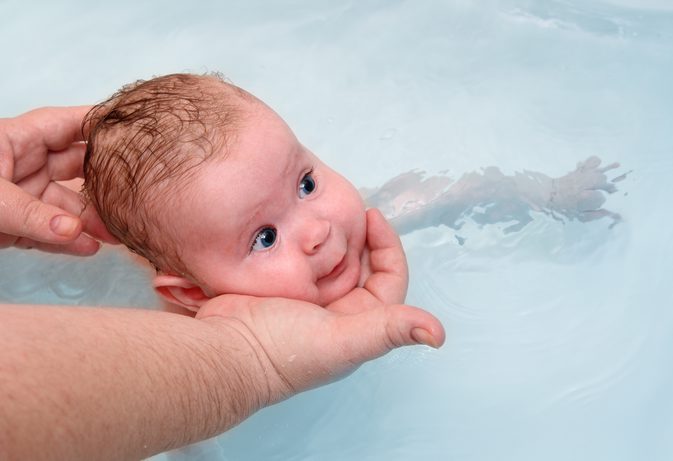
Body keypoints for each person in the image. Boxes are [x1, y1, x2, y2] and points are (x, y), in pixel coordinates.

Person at [0, 105, 445, 460]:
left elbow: (407, 198)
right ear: (192, 294)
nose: (319, 231)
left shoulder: (323, 217)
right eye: (265, 237)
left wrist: (473, 193)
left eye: (306, 183)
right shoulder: (181, 338)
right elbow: (167, 426)